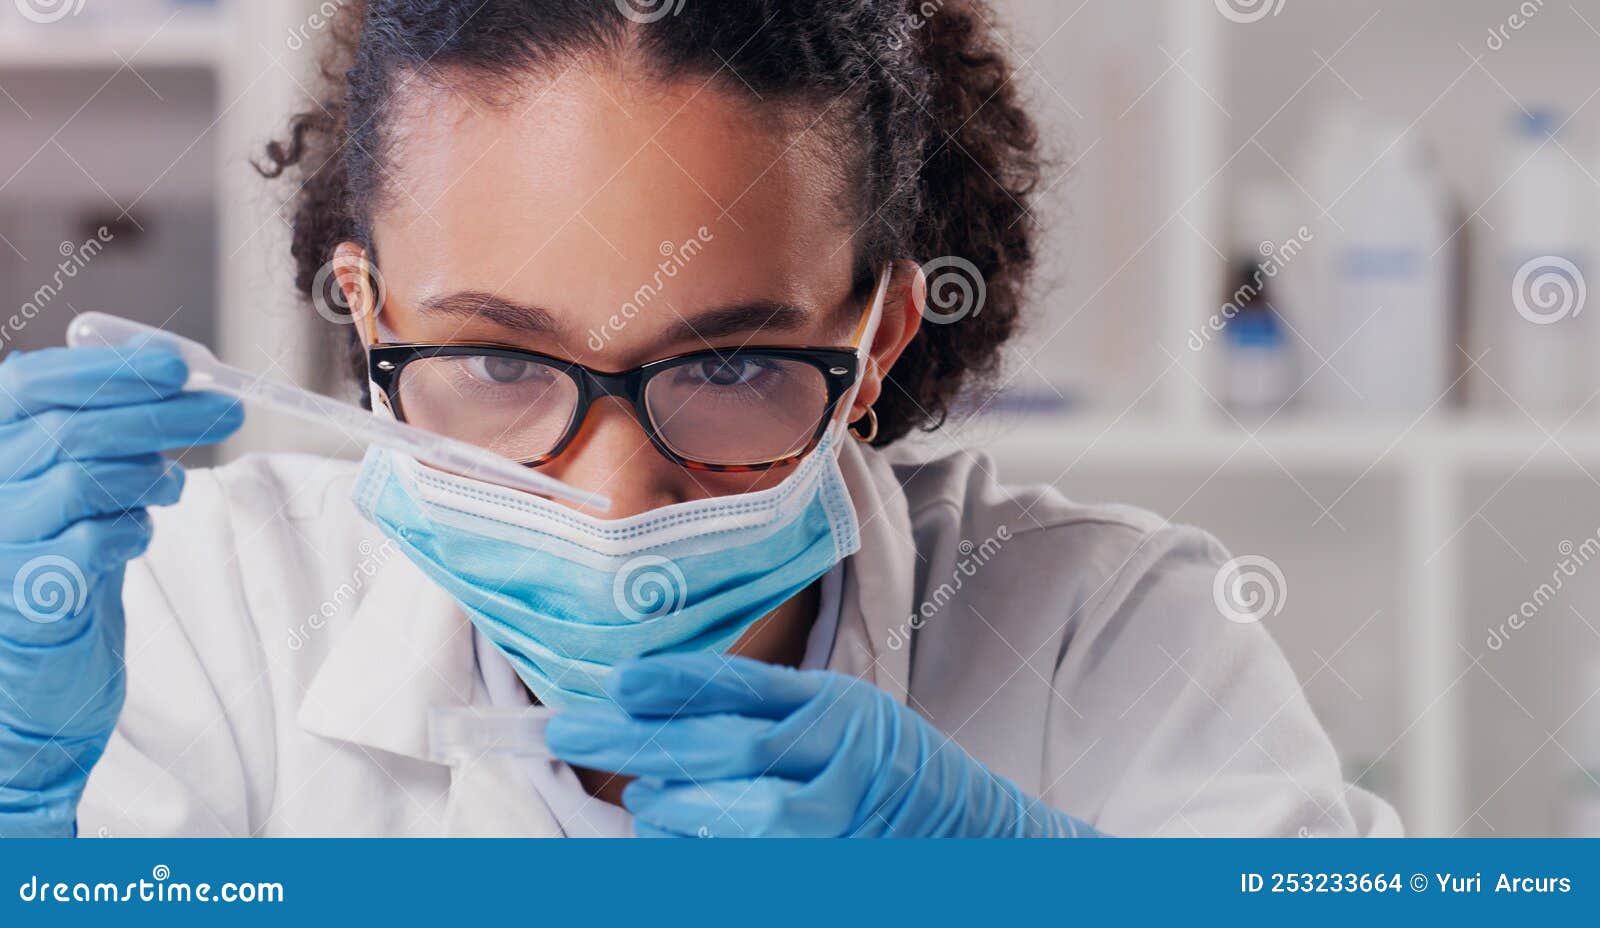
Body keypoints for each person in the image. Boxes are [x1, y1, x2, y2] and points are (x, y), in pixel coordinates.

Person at [0, 0, 1399, 838]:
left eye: (728, 368)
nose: (614, 506)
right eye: (500, 361)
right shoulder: (204, 616)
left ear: (878, 332)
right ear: (367, 315)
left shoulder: (1105, 632)